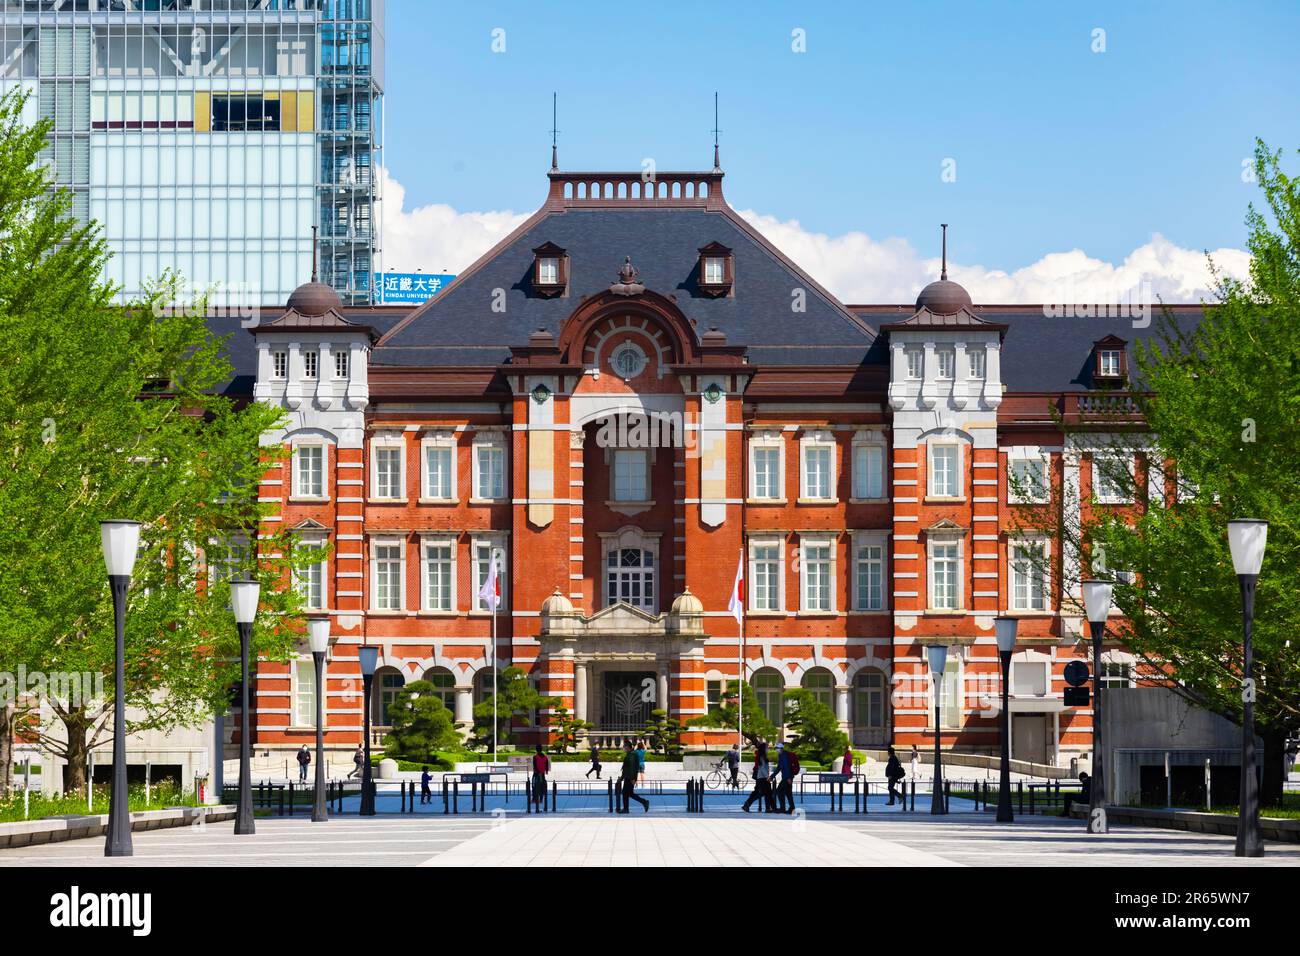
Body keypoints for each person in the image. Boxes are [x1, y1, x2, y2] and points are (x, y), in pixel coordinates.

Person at [742, 741, 775, 813]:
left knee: (763, 792)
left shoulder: (761, 755)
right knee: (766, 793)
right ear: (764, 749)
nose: (768, 749)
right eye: (767, 748)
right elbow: (762, 768)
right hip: (762, 777)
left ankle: (748, 804)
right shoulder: (762, 756)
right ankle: (770, 808)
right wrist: (767, 777)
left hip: (760, 777)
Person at [618, 739, 649, 813]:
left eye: (624, 746)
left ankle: (626, 809)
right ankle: (644, 802)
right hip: (629, 777)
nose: (623, 748)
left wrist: (632, 778)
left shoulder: (632, 755)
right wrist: (622, 777)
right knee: (629, 793)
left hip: (629, 777)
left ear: (627, 747)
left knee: (625, 792)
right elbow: (626, 768)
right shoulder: (631, 754)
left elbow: (632, 767)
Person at [774, 743, 799, 814]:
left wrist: (789, 778)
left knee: (779, 791)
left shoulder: (784, 756)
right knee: (788, 793)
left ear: (780, 749)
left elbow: (787, 767)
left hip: (787, 777)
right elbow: (779, 767)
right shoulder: (781, 755)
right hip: (787, 777)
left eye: (777, 748)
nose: (776, 750)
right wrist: (772, 776)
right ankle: (792, 808)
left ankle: (783, 808)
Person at [531, 744, 550, 809]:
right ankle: (541, 798)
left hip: (537, 774)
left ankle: (534, 798)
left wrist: (536, 771)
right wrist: (546, 771)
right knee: (542, 785)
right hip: (542, 773)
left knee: (534, 785)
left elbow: (534, 765)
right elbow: (547, 765)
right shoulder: (545, 757)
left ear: (536, 749)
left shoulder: (535, 757)